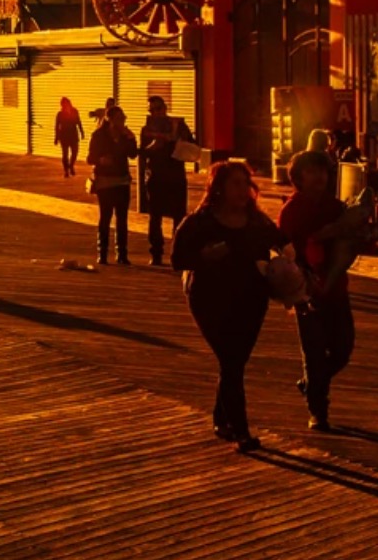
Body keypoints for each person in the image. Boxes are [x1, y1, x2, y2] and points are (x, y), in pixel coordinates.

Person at [172, 161, 288, 452]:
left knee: (233, 363)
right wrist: (205, 257)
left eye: (245, 183)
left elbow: (283, 243)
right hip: (209, 299)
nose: (241, 190)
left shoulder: (258, 223)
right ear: (219, 187)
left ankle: (221, 418)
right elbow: (178, 259)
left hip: (251, 299)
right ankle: (241, 430)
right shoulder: (201, 222)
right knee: (231, 360)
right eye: (235, 183)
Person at [279, 149, 353, 431]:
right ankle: (318, 411)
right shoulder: (291, 211)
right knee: (313, 351)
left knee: (343, 349)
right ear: (298, 177)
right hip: (305, 291)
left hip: (336, 288)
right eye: (312, 171)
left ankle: (312, 385)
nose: (319, 176)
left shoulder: (336, 207)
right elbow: (286, 250)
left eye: (322, 171)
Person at [137, 95, 192, 266]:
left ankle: (177, 253)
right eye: (152, 110)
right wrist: (151, 148)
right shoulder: (146, 129)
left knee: (179, 217)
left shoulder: (179, 125)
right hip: (156, 177)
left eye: (158, 108)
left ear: (165, 108)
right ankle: (156, 253)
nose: (155, 113)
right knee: (155, 217)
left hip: (176, 176)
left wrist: (178, 141)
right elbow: (141, 154)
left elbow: (193, 146)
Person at [87, 104, 139, 265]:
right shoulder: (99, 135)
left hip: (122, 180)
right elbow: (90, 158)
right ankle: (102, 253)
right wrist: (101, 160)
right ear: (110, 120)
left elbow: (132, 155)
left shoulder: (125, 136)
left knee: (122, 219)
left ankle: (122, 254)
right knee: (105, 217)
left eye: (123, 118)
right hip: (105, 181)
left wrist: (132, 139)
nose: (122, 121)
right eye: (119, 118)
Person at [54, 98, 84, 178]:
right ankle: (66, 171)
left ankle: (71, 165)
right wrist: (56, 137)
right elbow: (57, 126)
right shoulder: (60, 114)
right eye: (62, 104)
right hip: (64, 136)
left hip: (73, 135)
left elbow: (78, 122)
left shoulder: (74, 112)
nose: (64, 106)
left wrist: (82, 132)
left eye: (65, 103)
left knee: (75, 152)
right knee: (65, 154)